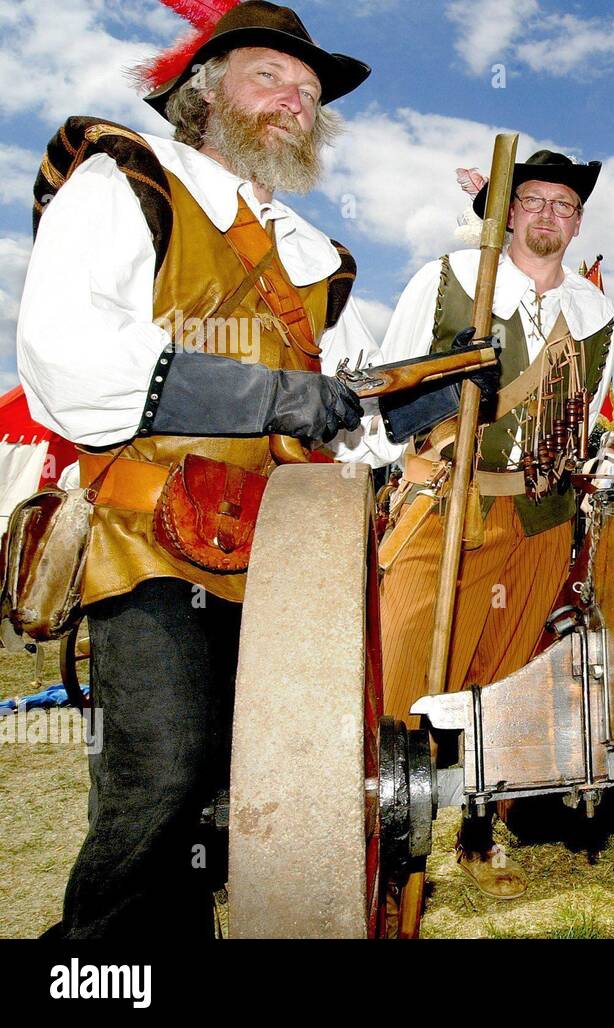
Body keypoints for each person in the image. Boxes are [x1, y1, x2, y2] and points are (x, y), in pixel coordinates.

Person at [16, 1, 389, 938]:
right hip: (149, 537)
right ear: (201, 89)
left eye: (310, 93)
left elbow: (348, 413)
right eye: (270, 77)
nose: (296, 102)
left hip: (280, 556)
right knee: (164, 774)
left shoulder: (315, 261)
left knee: (245, 788)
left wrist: (410, 407)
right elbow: (65, 357)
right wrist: (263, 396)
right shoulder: (125, 180)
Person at [378, 150, 614, 898]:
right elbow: (387, 399)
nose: (549, 216)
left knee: (506, 678)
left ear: (577, 224)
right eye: (535, 201)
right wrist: (450, 396)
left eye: (565, 207)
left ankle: (481, 827)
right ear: (507, 211)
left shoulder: (595, 310)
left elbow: (584, 420)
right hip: (450, 501)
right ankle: (389, 833)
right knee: (404, 664)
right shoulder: (446, 280)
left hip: (541, 517)